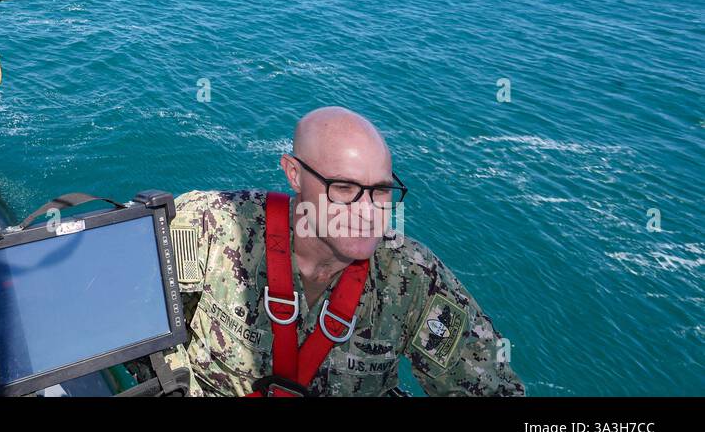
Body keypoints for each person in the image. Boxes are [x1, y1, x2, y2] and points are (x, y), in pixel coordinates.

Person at [164, 106, 525, 396]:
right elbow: (140, 324)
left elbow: (491, 387)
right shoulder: (212, 226)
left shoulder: (414, 279)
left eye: (381, 191)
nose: (368, 212)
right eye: (344, 187)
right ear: (294, 173)